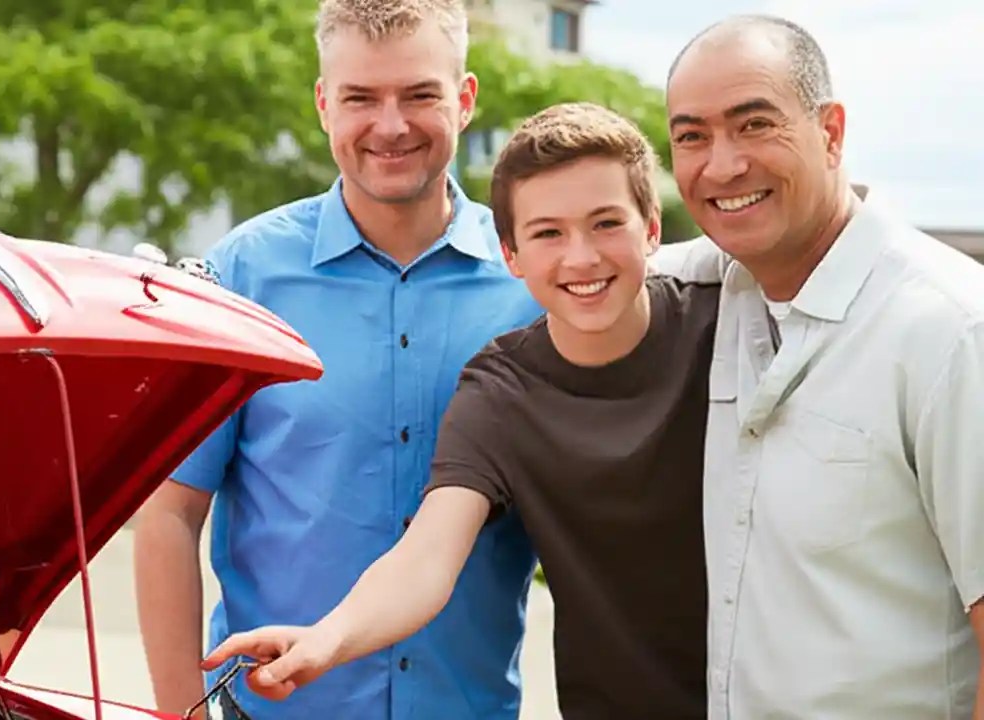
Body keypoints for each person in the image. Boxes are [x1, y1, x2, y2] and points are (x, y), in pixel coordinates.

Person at [202, 102, 720, 720]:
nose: (581, 257)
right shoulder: (501, 391)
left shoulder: (724, 325)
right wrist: (327, 640)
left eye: (607, 223)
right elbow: (427, 557)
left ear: (653, 229)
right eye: (548, 233)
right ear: (512, 255)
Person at [132, 1, 544, 718]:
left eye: (419, 94)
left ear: (465, 99)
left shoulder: (530, 282)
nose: (391, 126)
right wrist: (179, 714)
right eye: (361, 98)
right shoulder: (242, 277)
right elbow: (170, 513)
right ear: (325, 105)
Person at [651, 14, 984, 719]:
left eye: (754, 124)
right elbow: (588, 276)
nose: (722, 165)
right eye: (691, 137)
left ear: (830, 133)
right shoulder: (718, 289)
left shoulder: (951, 330)